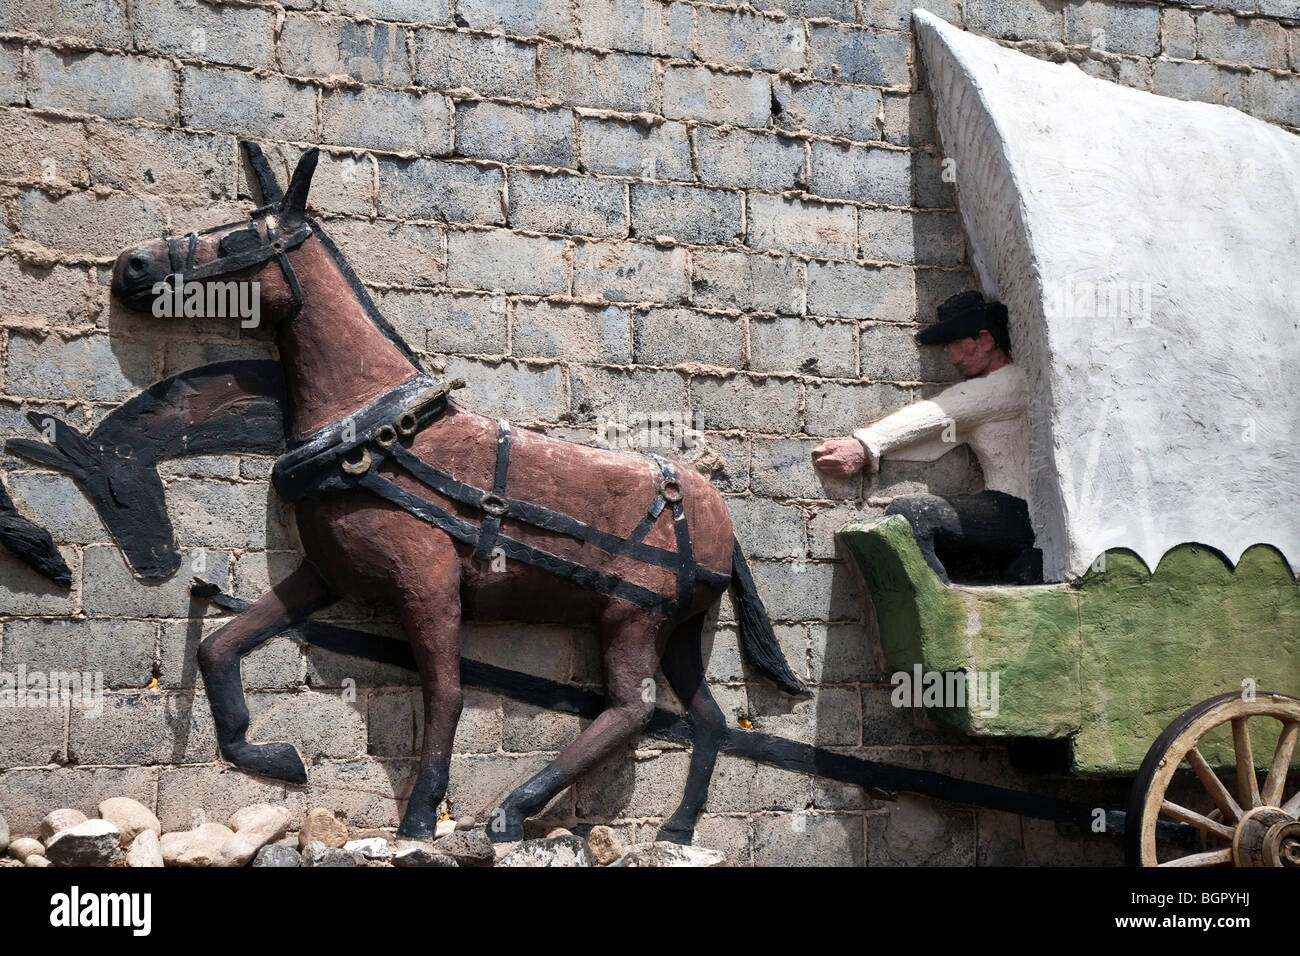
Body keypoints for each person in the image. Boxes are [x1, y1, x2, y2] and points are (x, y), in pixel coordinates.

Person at [812, 291, 1042, 584]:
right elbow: (938, 433)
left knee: (912, 514)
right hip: (1000, 508)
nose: (953, 358)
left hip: (1015, 511)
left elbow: (937, 413)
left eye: (957, 344)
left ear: (984, 340)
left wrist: (866, 446)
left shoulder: (1006, 385)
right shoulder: (988, 399)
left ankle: (942, 603)